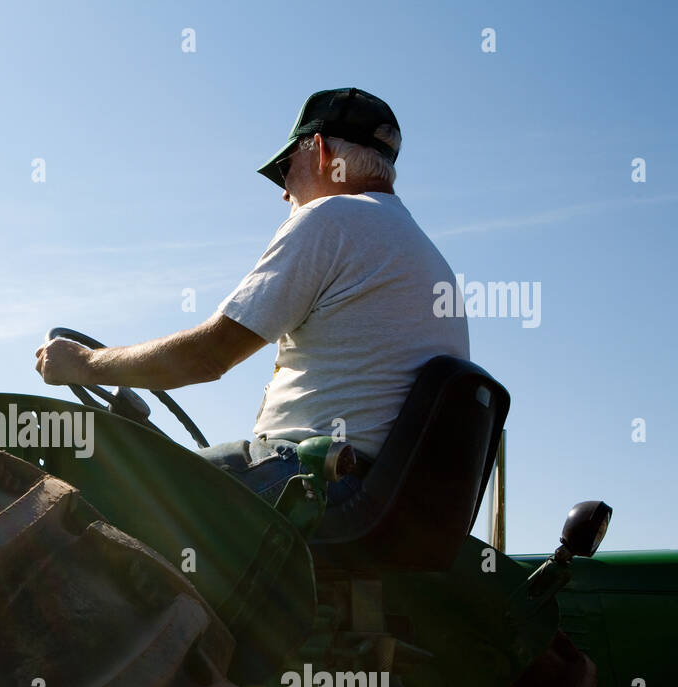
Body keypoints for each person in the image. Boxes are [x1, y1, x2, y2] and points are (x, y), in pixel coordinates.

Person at [34, 88, 470, 507]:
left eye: (286, 170)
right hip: (383, 498)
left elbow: (206, 357)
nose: (284, 192)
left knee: (96, 489)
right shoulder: (428, 258)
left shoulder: (332, 218)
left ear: (319, 150)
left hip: (311, 482)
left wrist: (87, 364)